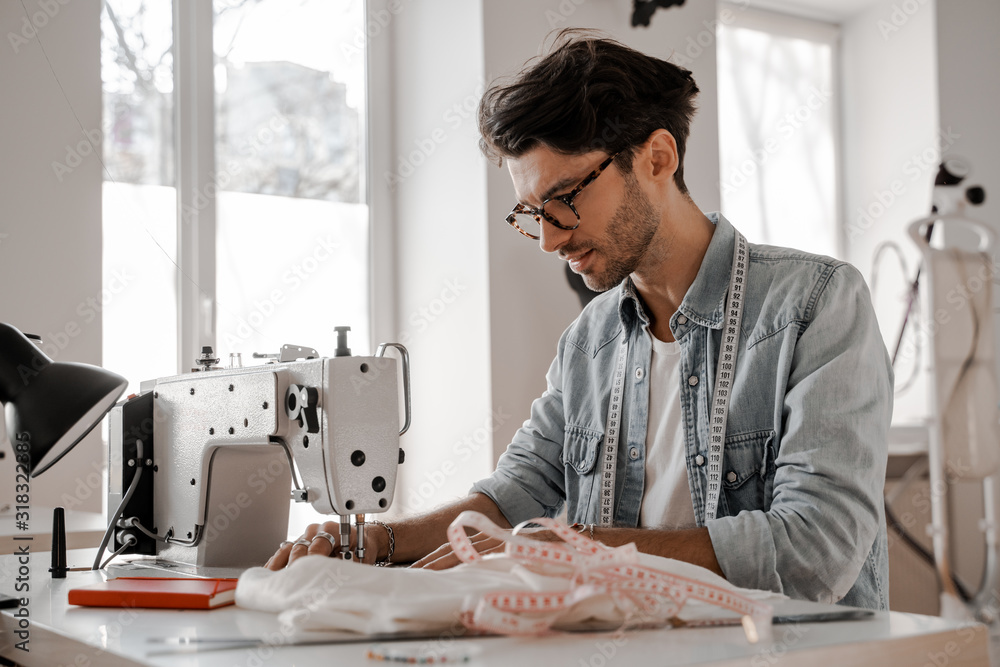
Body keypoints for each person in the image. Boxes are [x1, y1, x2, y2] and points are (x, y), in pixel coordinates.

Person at [266, 31, 892, 610]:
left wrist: (579, 551)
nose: (547, 240)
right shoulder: (588, 342)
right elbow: (511, 499)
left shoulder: (816, 305)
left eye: (564, 200)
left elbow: (815, 551)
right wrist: (369, 543)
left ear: (656, 157)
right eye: (533, 213)